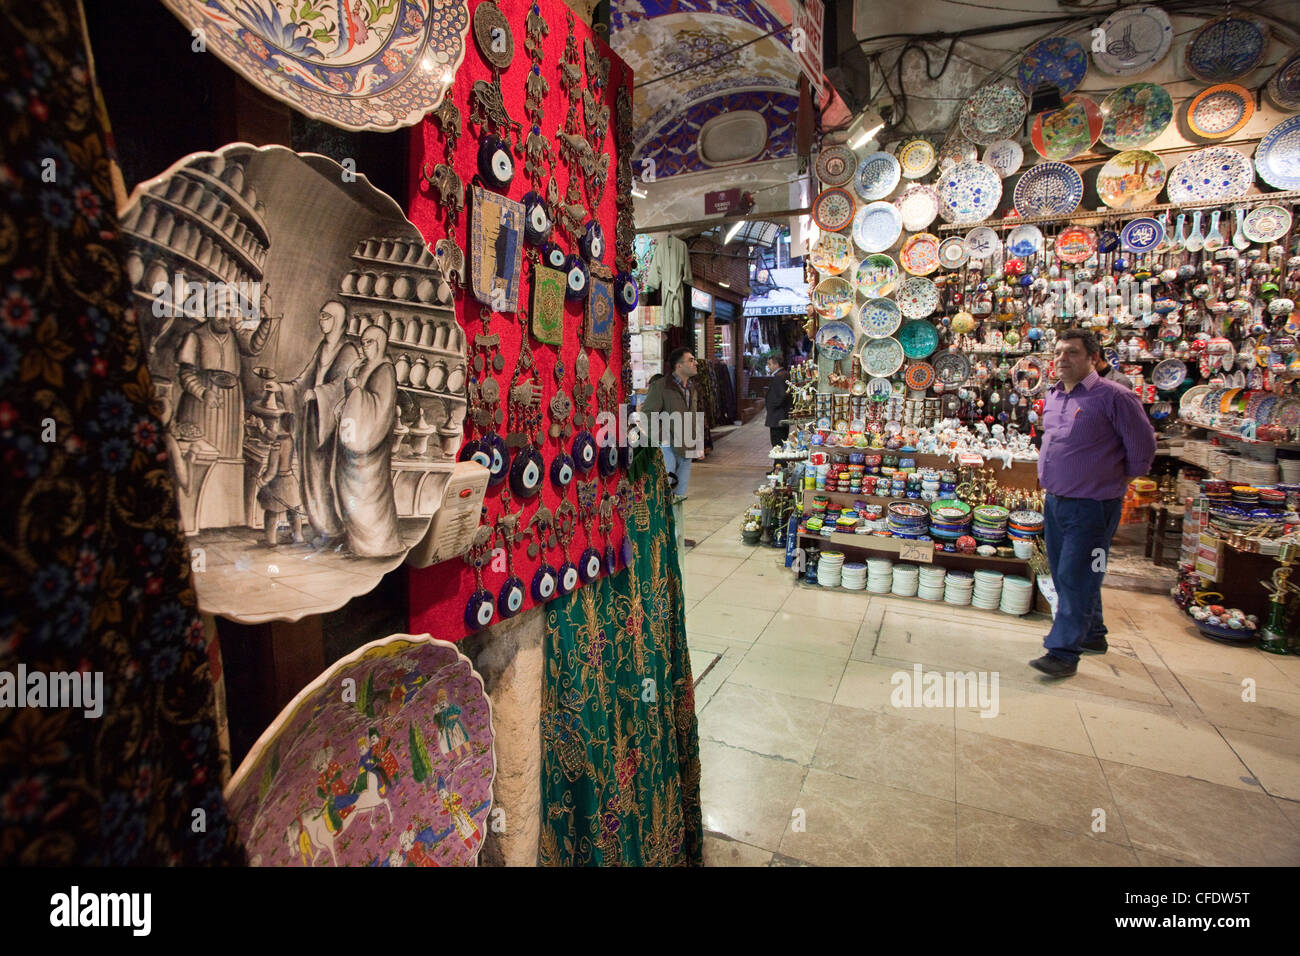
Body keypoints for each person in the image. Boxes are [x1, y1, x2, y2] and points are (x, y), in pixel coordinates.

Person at [1032, 328, 1156, 678]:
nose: (1062, 359)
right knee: (1068, 573)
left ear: (1092, 358)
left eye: (1072, 352)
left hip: (1093, 504)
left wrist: (1116, 482)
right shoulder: (1054, 395)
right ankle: (1093, 635)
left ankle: (1063, 652)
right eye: (1058, 352)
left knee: (1076, 575)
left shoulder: (1115, 397)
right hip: (1057, 501)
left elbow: (1143, 448)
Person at [270, 300, 359, 544]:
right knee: (310, 474)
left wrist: (317, 393)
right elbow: (304, 379)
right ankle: (321, 525)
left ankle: (331, 526)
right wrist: (282, 387)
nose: (322, 321)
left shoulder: (348, 350)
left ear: (339, 321)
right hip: (313, 418)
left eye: (327, 317)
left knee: (323, 475)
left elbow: (342, 385)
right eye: (321, 316)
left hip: (330, 422)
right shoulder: (323, 347)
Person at [335, 324, 403, 557]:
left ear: (381, 343)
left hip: (372, 448)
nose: (364, 348)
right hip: (358, 446)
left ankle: (379, 546)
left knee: (371, 497)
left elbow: (379, 407)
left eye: (369, 342)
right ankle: (358, 545)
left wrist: (355, 391)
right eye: (362, 342)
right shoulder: (366, 366)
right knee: (352, 496)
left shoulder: (384, 370)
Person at [640, 346, 699, 497]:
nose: (696, 363)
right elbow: (647, 414)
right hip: (668, 448)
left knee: (680, 495)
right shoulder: (661, 386)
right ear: (679, 365)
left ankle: (676, 521)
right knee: (664, 494)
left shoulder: (691, 388)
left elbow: (692, 416)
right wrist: (662, 438)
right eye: (691, 360)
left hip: (687, 446)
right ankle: (664, 521)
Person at [763, 354, 792, 449]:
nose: (768, 366)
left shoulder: (779, 377)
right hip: (781, 416)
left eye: (769, 364)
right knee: (782, 442)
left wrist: (772, 406)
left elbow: (781, 396)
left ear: (776, 364)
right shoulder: (784, 374)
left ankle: (780, 463)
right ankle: (781, 462)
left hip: (777, 417)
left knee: (777, 444)